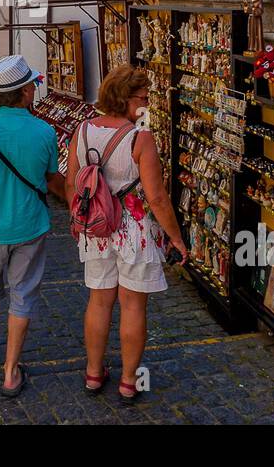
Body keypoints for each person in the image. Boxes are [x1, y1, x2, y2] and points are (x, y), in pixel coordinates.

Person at [66, 64, 187, 402]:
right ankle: (129, 381)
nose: (148, 103)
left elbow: (72, 183)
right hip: (132, 230)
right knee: (133, 306)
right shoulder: (140, 138)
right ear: (126, 98)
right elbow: (157, 197)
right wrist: (176, 238)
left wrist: (80, 221)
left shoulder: (83, 131)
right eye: (144, 98)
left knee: (99, 300)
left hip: (97, 228)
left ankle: (93, 373)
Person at [0, 54, 65, 397]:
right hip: (29, 228)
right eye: (33, 86)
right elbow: (52, 179)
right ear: (25, 92)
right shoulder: (44, 132)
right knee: (22, 293)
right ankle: (10, 372)